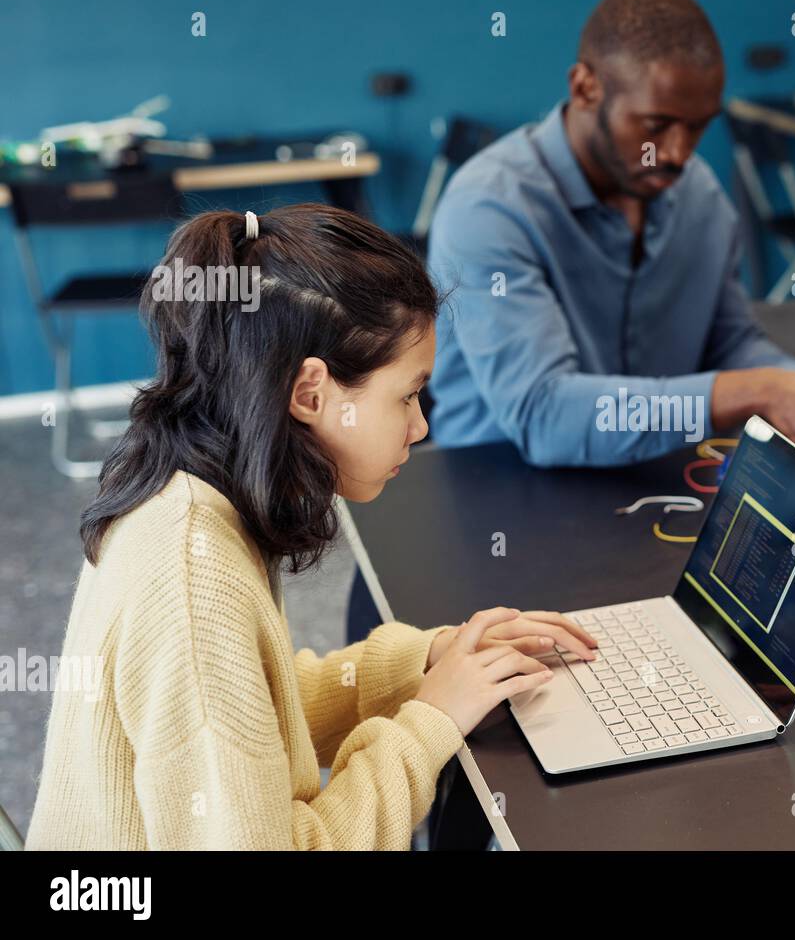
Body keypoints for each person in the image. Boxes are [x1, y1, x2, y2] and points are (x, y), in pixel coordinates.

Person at [26, 204, 597, 849]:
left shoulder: (197, 495)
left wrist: (428, 661)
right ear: (309, 394)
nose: (421, 425)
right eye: (408, 395)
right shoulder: (193, 582)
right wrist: (431, 721)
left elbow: (256, 712)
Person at [427, 0, 795, 467]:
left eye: (698, 126)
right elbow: (545, 416)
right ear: (584, 88)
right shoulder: (490, 208)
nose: (679, 154)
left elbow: (730, 344)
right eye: (655, 125)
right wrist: (758, 390)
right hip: (498, 494)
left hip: (651, 481)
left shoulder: (697, 195)